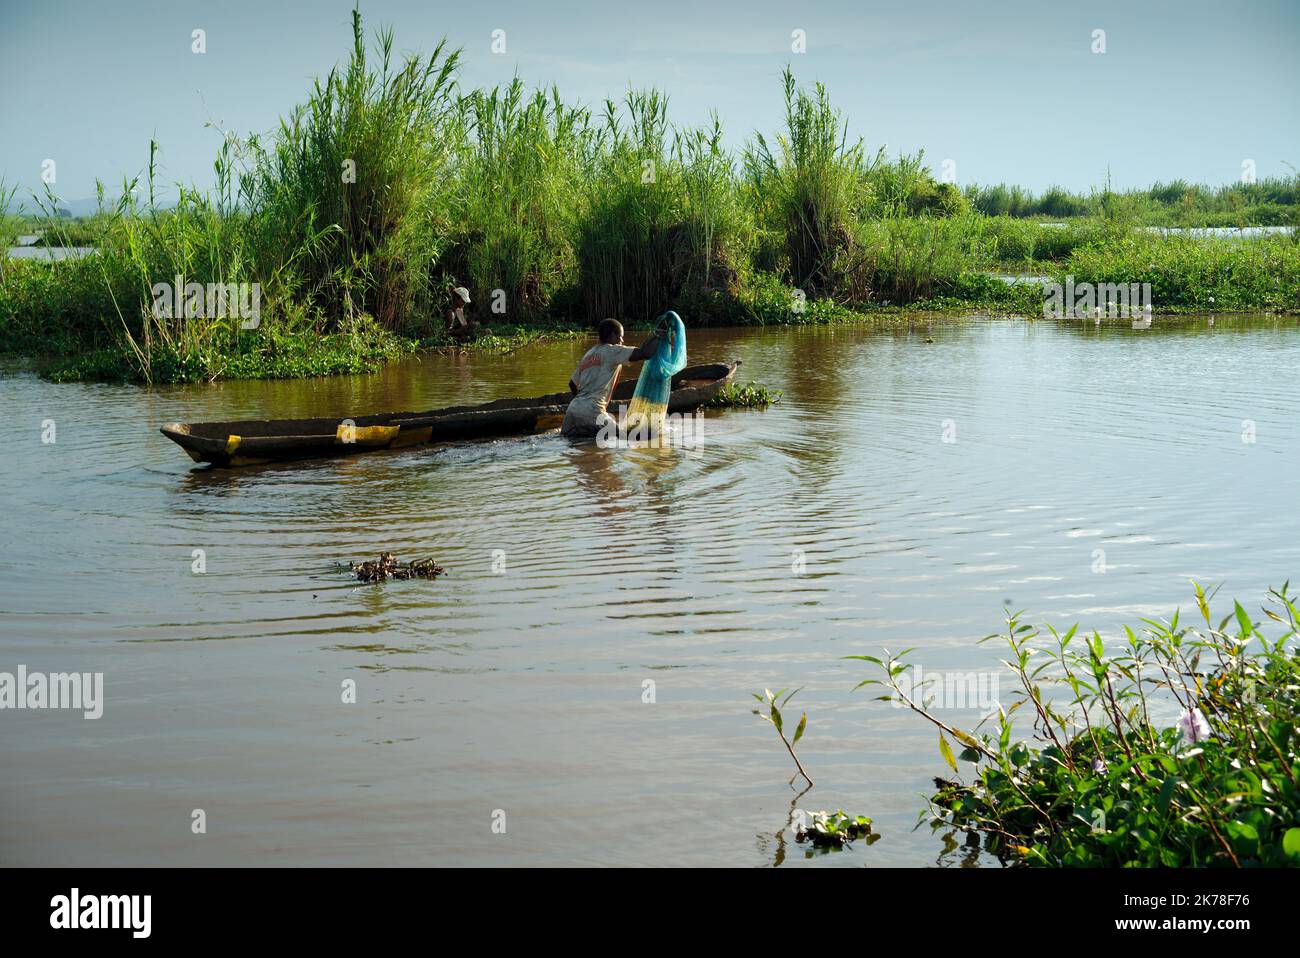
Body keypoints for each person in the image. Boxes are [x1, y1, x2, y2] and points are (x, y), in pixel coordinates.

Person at [561, 318, 661, 439]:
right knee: (628, 436)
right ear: (613, 335)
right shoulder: (612, 350)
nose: (622, 341)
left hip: (572, 411)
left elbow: (572, 383)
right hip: (593, 411)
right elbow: (646, 353)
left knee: (574, 444)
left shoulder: (588, 355)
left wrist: (581, 403)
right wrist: (660, 334)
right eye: (621, 337)